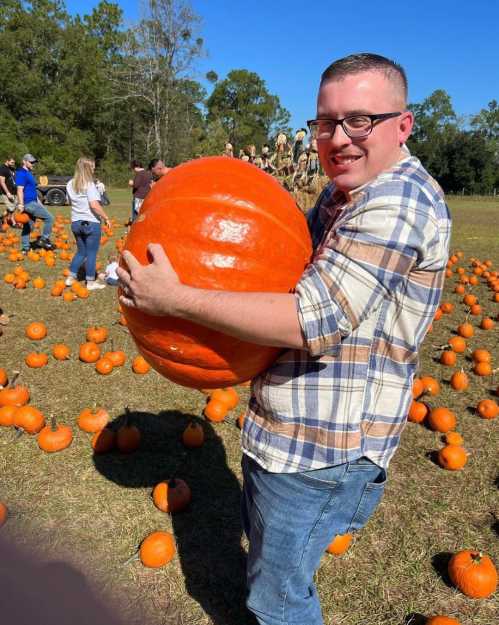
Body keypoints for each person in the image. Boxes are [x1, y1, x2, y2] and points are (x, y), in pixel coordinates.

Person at [116, 53, 451, 625]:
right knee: (271, 550)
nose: (338, 138)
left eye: (359, 120)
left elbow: (309, 320)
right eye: (325, 122)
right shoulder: (345, 194)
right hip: (289, 431)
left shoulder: (397, 203)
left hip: (324, 451)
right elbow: (274, 263)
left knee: (277, 597)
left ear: (404, 124)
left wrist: (175, 300)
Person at [66, 157, 111, 291]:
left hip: (76, 222)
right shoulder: (89, 184)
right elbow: (94, 205)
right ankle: (90, 282)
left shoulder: (70, 184)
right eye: (92, 167)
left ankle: (70, 277)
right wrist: (106, 218)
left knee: (81, 251)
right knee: (91, 253)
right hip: (91, 222)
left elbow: (69, 201)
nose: (93, 169)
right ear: (86, 168)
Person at [15, 154, 55, 253]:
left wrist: (39, 203)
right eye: (31, 162)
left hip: (33, 201)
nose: (33, 164)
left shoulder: (29, 173)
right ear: (24, 161)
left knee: (29, 226)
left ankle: (25, 248)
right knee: (49, 218)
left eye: (34, 162)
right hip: (28, 203)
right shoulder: (21, 173)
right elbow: (20, 190)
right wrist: (20, 204)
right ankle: (44, 239)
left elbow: (32, 190)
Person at [0, 156, 17, 222]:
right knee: (11, 207)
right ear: (7, 161)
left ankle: (11, 221)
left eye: (14, 162)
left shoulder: (11, 168)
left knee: (13, 207)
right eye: (12, 162)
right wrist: (7, 193)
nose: (13, 164)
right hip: (6, 192)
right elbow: (2, 182)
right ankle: (9, 221)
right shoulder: (2, 168)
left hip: (13, 191)